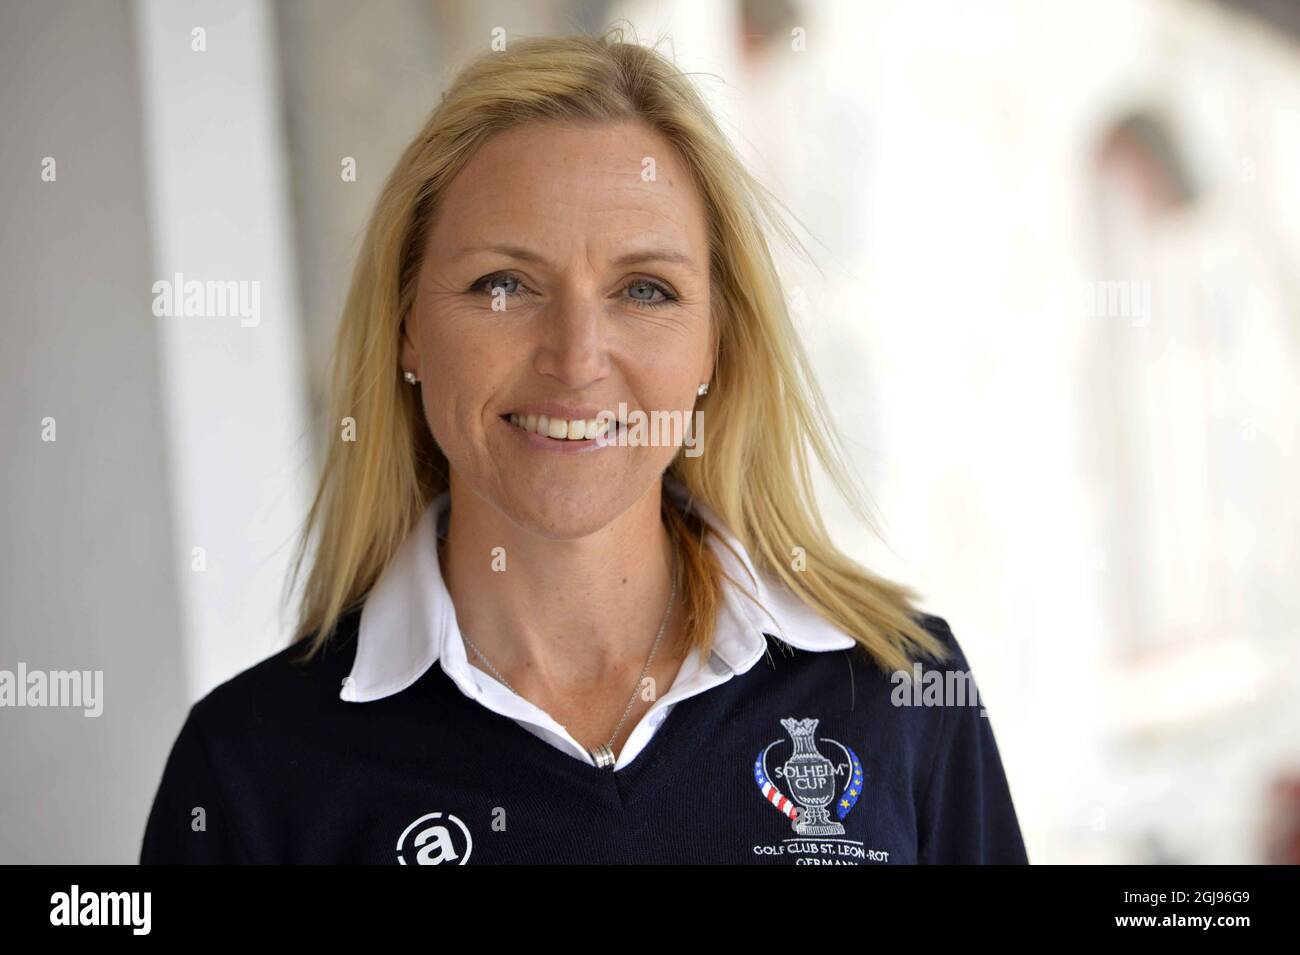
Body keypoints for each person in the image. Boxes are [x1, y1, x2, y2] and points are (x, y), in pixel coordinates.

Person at [140, 29, 1028, 865]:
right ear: (407, 323)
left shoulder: (901, 693)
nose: (576, 358)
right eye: (503, 283)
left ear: (717, 340)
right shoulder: (249, 772)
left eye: (644, 289)